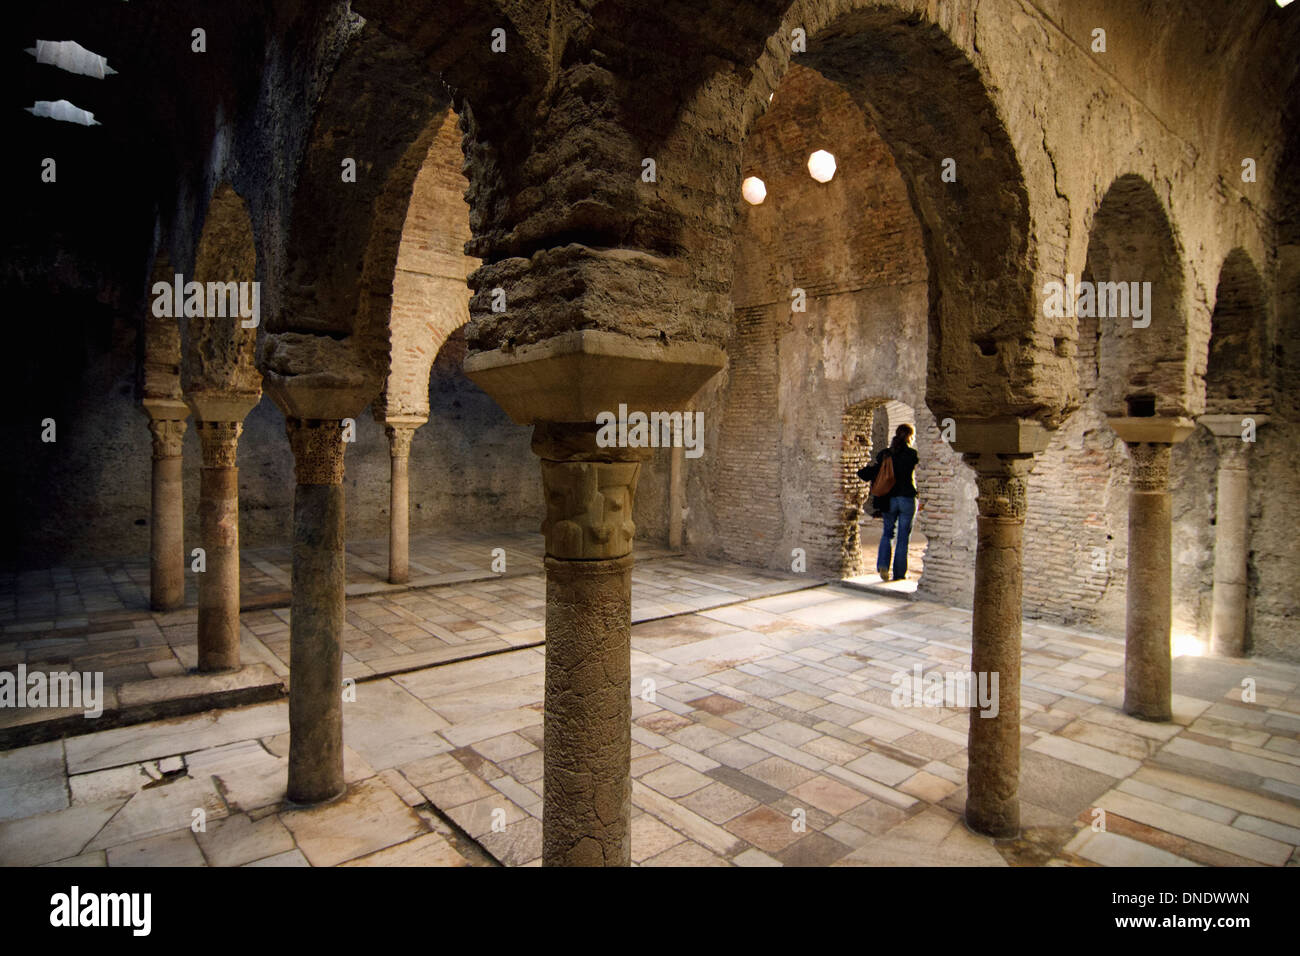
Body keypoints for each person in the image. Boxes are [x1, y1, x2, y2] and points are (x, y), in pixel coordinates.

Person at [871, 424, 919, 582]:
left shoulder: (885, 454)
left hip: (889, 498)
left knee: (887, 533)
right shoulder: (912, 454)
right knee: (903, 537)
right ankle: (899, 574)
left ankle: (883, 565)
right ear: (909, 437)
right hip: (906, 498)